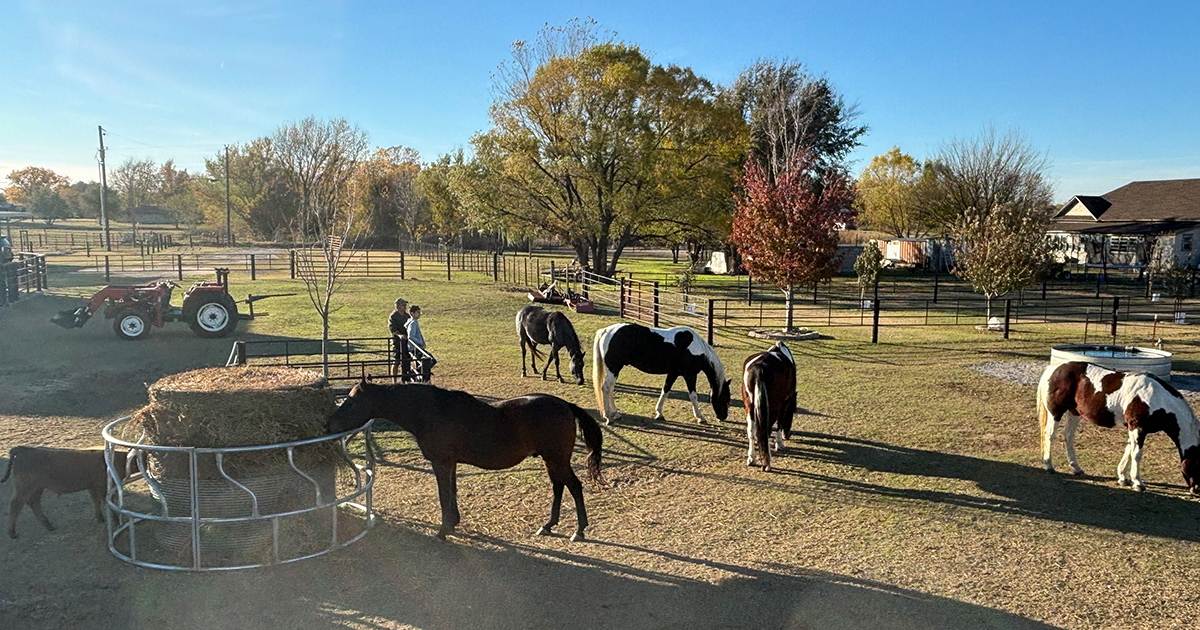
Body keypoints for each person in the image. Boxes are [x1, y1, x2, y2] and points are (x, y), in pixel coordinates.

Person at [406, 305, 436, 382]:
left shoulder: (411, 322)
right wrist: (420, 343)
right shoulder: (413, 323)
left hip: (414, 348)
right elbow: (411, 336)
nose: (419, 314)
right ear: (412, 313)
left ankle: (418, 372)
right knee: (431, 360)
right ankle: (415, 372)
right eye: (418, 312)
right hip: (415, 348)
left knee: (426, 360)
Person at [388, 297, 410, 378]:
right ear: (397, 307)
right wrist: (399, 335)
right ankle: (394, 380)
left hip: (406, 341)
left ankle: (406, 377)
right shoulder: (393, 316)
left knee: (407, 360)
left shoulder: (407, 316)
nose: (404, 307)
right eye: (403, 305)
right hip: (397, 342)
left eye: (405, 305)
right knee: (396, 360)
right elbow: (392, 328)